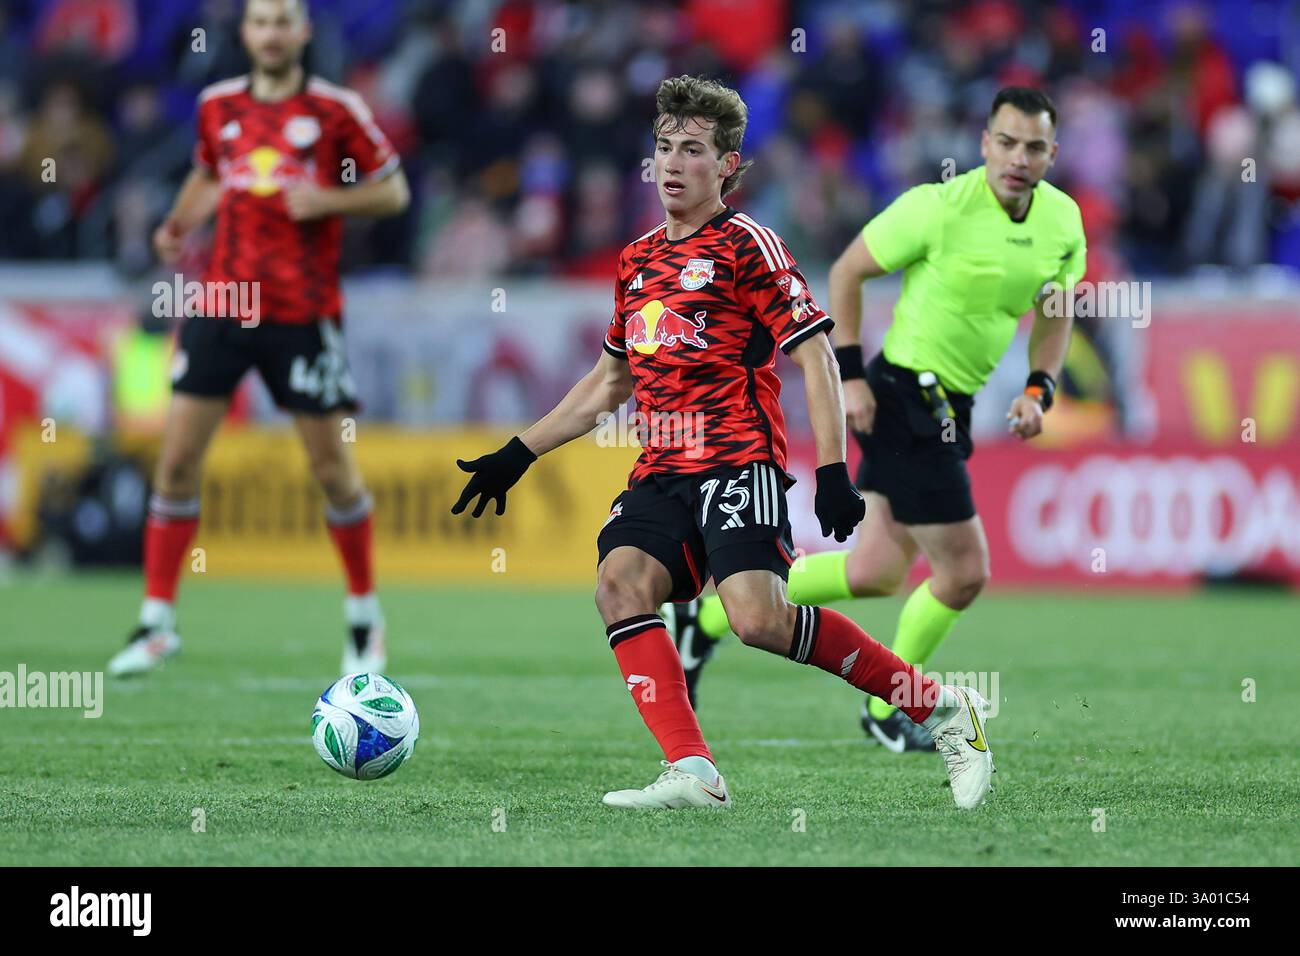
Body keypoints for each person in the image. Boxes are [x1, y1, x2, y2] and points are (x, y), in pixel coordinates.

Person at [452, 75, 995, 810]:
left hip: (739, 459)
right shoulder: (636, 261)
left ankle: (939, 707)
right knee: (619, 585)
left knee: (759, 622)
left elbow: (813, 355)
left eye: (694, 150)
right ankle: (694, 771)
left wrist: (833, 470)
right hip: (662, 469)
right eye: (664, 148)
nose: (673, 164)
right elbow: (609, 385)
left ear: (727, 166)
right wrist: (519, 452)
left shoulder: (748, 246)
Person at [673, 87, 1086, 753]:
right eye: (1006, 142)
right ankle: (894, 708)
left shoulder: (1064, 223)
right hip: (902, 397)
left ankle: (707, 617)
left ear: (1051, 154)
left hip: (950, 406)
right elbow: (846, 271)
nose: (1018, 157)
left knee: (874, 571)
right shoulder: (939, 207)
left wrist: (1040, 385)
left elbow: (1055, 309)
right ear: (984, 144)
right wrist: (853, 374)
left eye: (1033, 146)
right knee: (964, 572)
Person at [107, 0, 410, 677]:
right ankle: (157, 620)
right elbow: (211, 172)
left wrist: (330, 200)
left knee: (331, 469)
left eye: (283, 21)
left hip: (301, 313)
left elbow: (392, 192)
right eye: (260, 21)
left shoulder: (336, 110)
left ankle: (364, 614)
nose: (271, 33)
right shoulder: (218, 105)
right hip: (222, 304)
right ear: (245, 34)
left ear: (302, 32)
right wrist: (177, 225)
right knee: (178, 459)